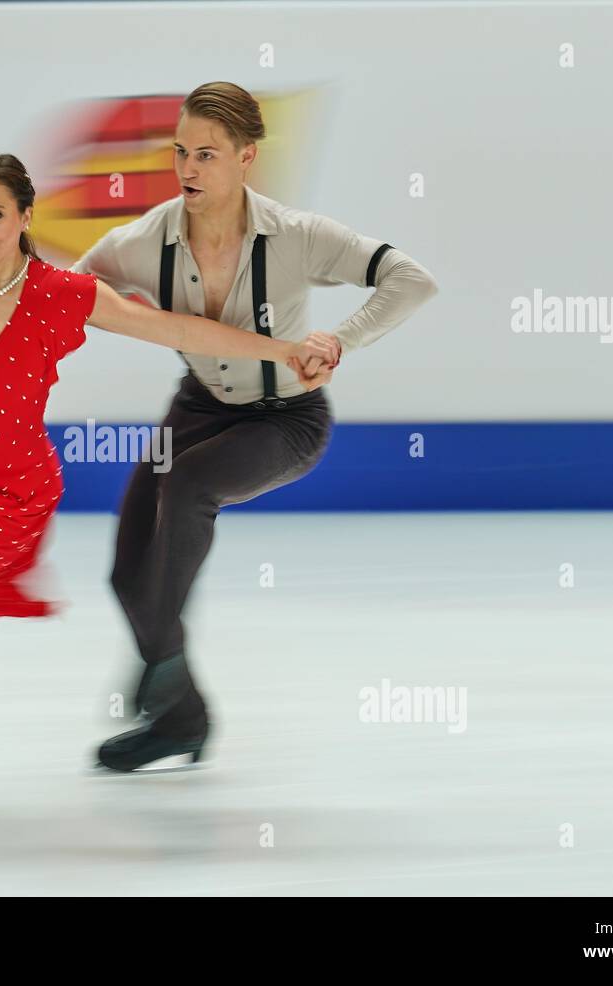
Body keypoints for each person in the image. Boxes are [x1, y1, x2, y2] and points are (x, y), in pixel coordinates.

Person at [0, 150, 338, 790]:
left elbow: (176, 328)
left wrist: (284, 352)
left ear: (26, 216)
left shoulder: (59, 295)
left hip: (9, 488)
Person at [68, 82, 441, 771]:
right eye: (180, 152)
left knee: (186, 489)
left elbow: (410, 279)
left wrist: (341, 340)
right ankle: (182, 717)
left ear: (247, 158)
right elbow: (62, 298)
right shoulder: (146, 240)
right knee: (126, 573)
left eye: (206, 154)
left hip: (287, 419)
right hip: (197, 406)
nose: (188, 169)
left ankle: (161, 672)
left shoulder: (297, 237)